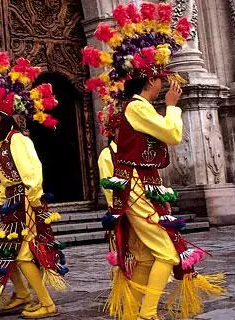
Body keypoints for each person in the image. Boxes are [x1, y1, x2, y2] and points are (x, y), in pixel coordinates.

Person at [84, 3, 226, 319]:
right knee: (164, 252)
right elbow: (173, 134)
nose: (164, 84)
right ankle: (147, 313)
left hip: (143, 186)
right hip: (136, 188)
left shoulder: (138, 108)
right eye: (161, 79)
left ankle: (134, 312)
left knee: (148, 257)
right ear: (149, 82)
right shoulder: (137, 108)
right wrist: (173, 106)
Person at [0, 52, 67, 319]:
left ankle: (46, 303)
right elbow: (1, 182)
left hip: (25, 205)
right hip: (11, 204)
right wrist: (1, 205)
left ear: (4, 116)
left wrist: (30, 204)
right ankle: (21, 294)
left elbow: (33, 174)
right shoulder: (0, 145)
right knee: (4, 251)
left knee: (23, 255)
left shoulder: (18, 141)